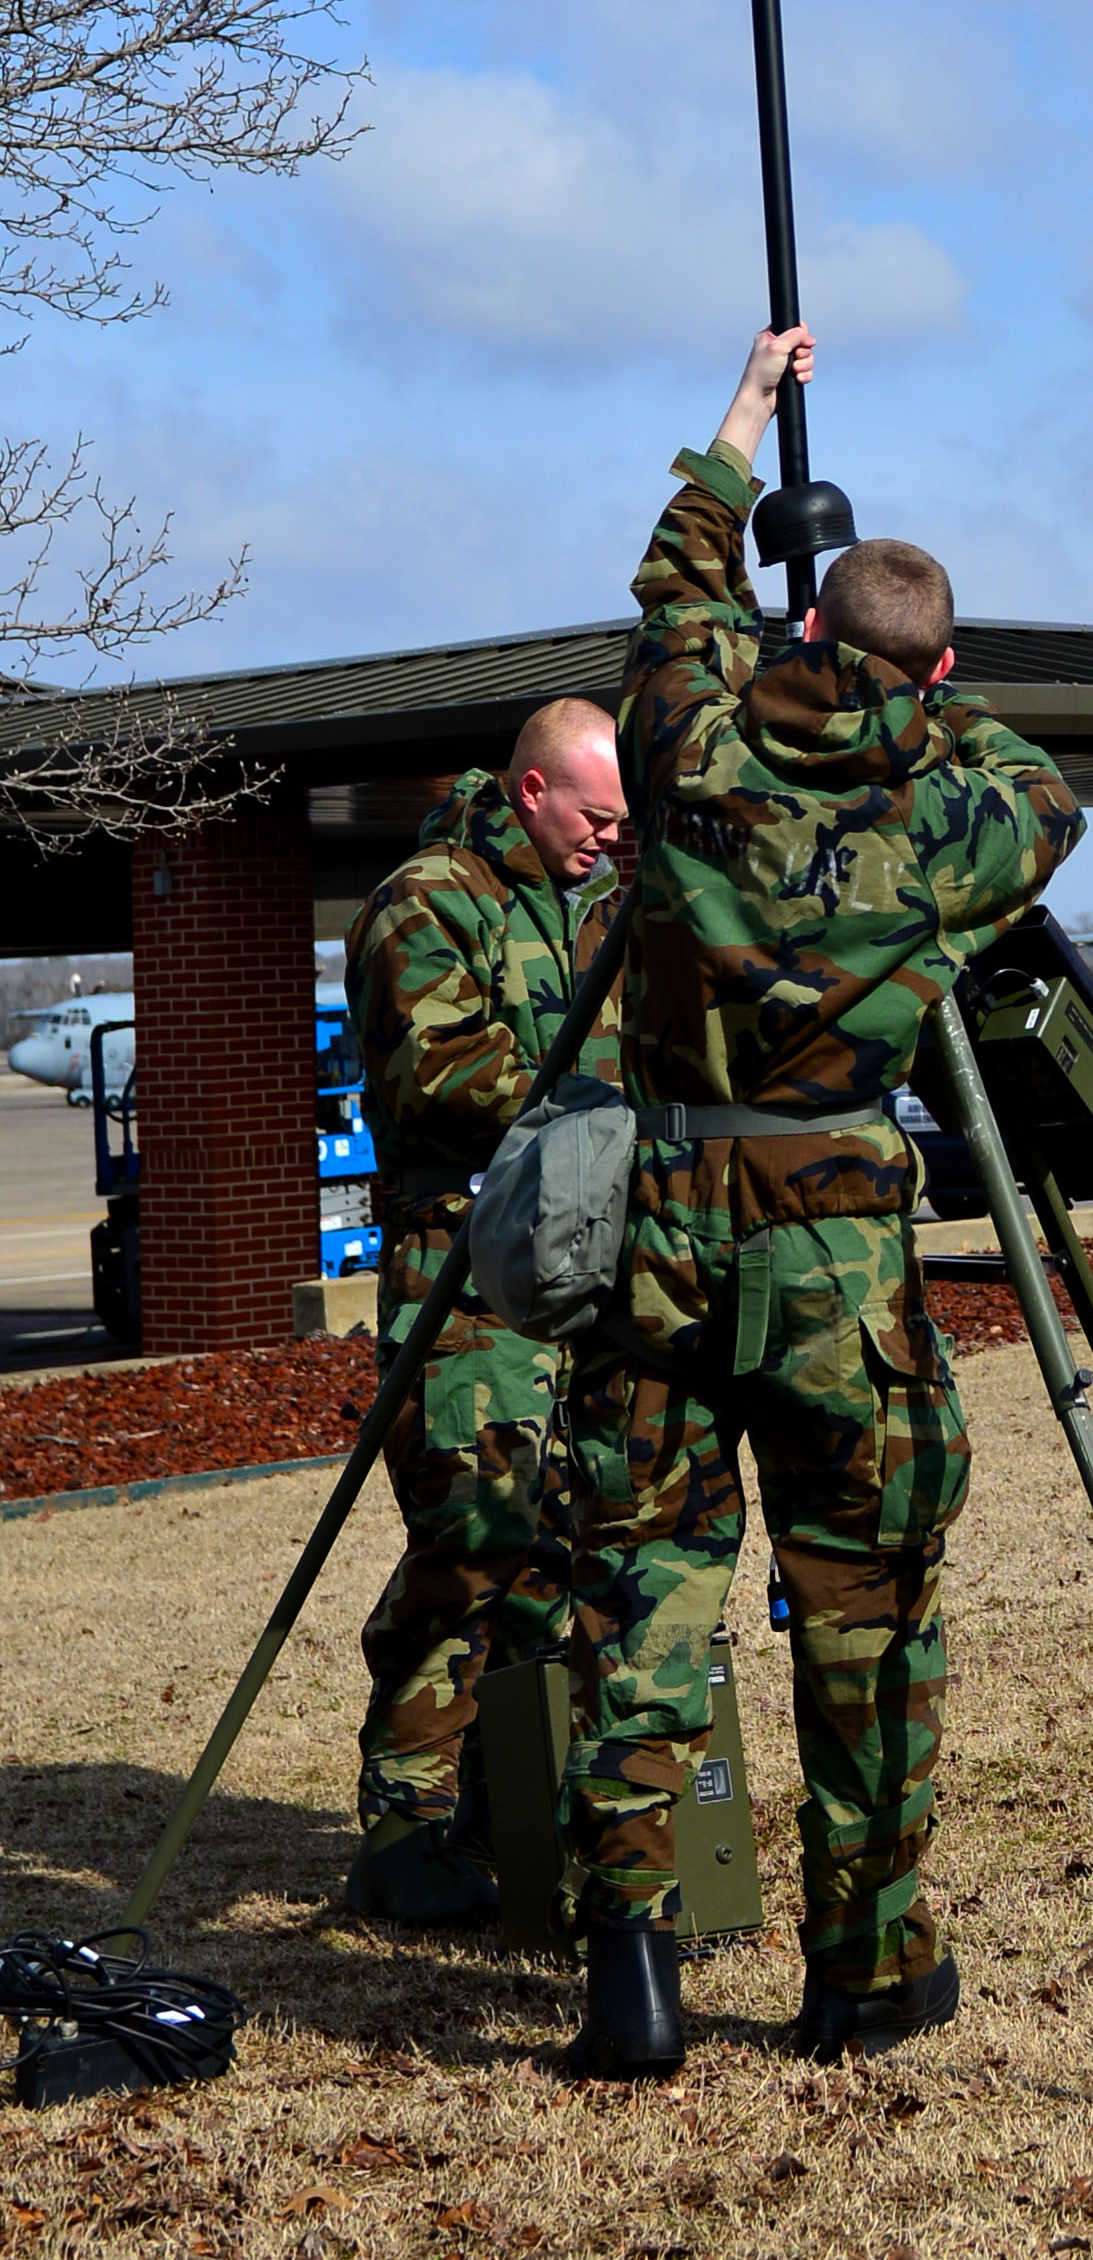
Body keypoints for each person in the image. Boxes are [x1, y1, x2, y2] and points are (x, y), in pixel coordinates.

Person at [559, 324, 1085, 2083]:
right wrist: (912, 690)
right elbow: (1039, 789)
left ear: (797, 632)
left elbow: (671, 588)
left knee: (645, 1589)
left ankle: (633, 1965)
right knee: (860, 1606)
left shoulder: (684, 739)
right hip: (832, 1236)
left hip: (657, 1223)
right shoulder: (946, 805)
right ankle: (862, 1966)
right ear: (933, 667)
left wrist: (736, 430)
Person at [343, 699, 627, 1923]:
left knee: (566, 1554)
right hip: (462, 1273)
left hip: (589, 1272)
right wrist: (626, 1094)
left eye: (624, 821)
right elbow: (443, 1073)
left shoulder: (608, 905)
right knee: (473, 1539)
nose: (610, 840)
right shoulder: (429, 900)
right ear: (530, 790)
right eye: (594, 816)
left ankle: (513, 1815)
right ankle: (402, 1827)